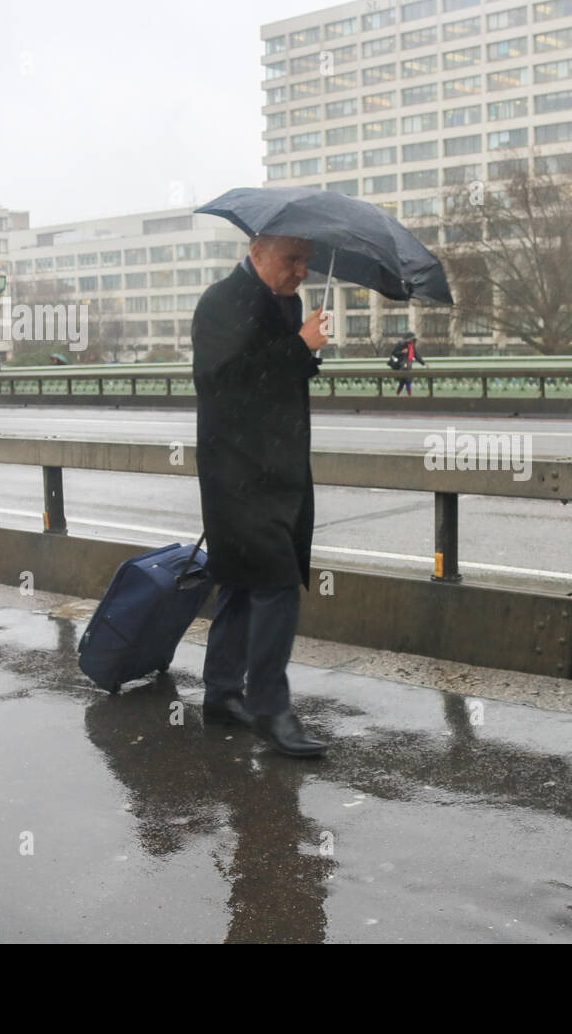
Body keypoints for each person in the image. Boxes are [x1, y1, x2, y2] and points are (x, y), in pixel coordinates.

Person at [192, 233, 330, 757]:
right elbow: (223, 381)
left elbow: (279, 377)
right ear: (257, 250)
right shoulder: (221, 302)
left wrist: (306, 347)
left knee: (242, 582)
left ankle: (222, 693)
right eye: (293, 260)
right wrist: (299, 346)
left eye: (307, 262)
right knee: (274, 582)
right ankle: (272, 709)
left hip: (281, 467)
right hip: (238, 470)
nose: (301, 272)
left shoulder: (284, 302)